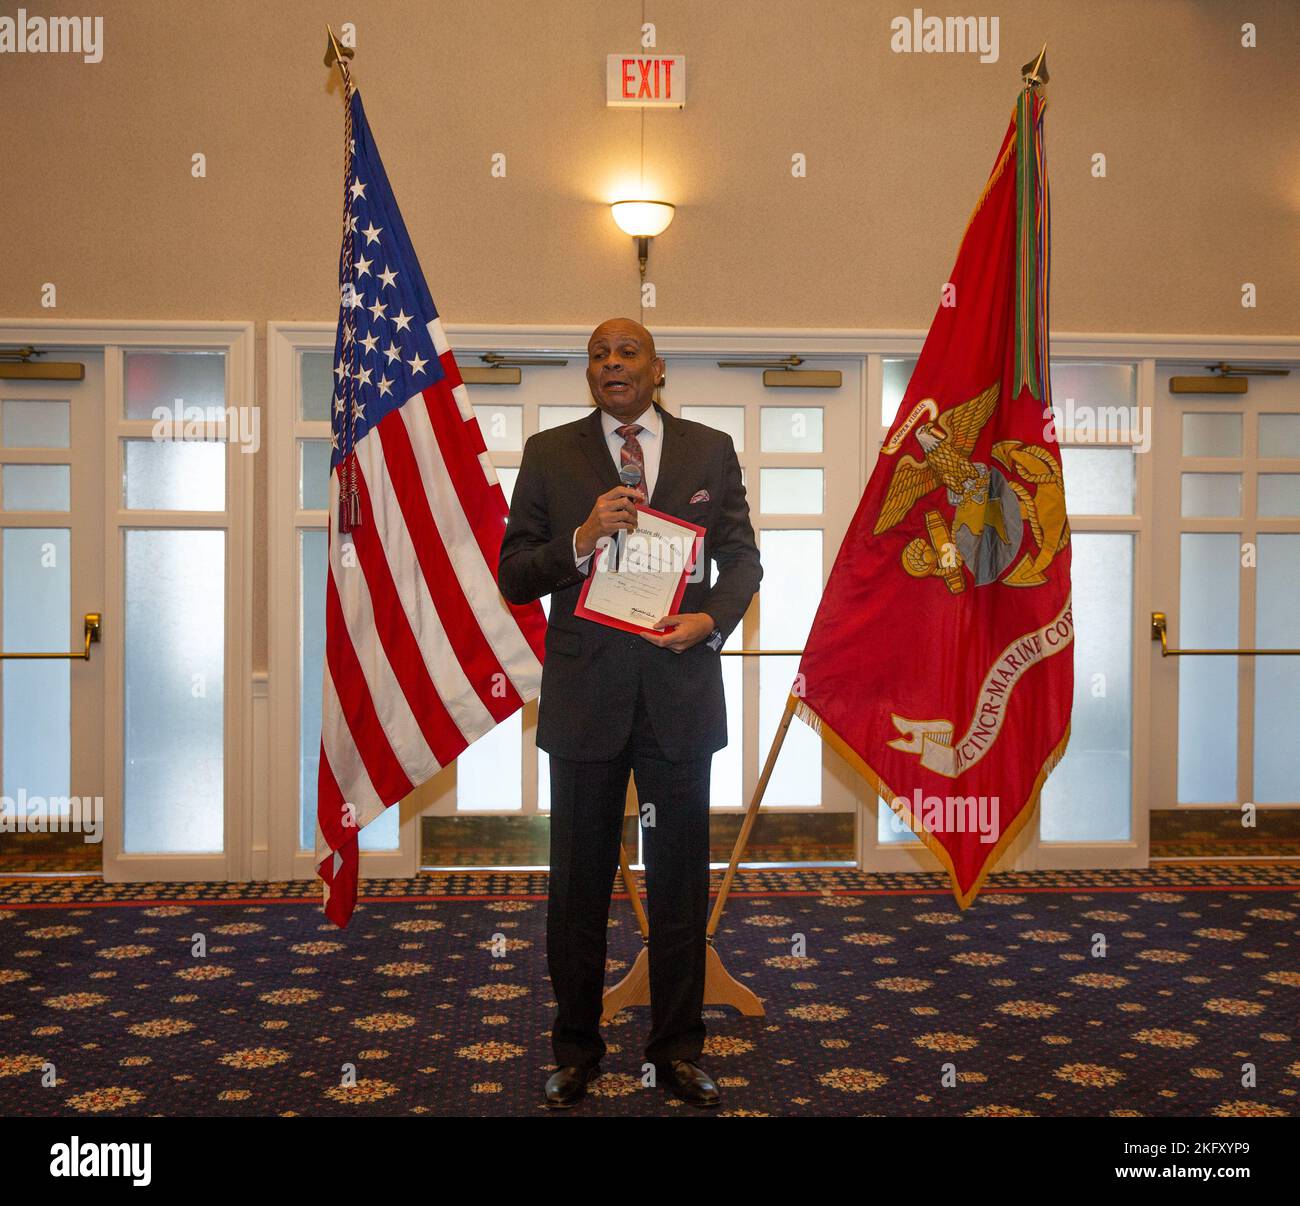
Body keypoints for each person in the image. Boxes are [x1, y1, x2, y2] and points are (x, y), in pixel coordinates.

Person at [498, 317, 762, 1108]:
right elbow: (515, 574)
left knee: (679, 883)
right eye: (599, 356)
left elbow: (743, 557)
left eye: (628, 353)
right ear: (590, 374)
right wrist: (579, 540)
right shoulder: (552, 454)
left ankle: (679, 1048)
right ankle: (576, 1048)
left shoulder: (708, 449)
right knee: (576, 885)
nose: (612, 364)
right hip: (586, 703)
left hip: (678, 697)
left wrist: (709, 619)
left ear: (658, 369)